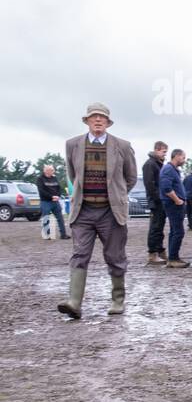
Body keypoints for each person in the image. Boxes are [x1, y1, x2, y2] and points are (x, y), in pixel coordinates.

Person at [58, 103, 137, 319]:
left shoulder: (122, 145)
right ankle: (74, 302)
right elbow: (73, 175)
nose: (98, 120)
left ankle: (117, 300)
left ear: (108, 122)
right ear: (87, 121)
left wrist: (116, 196)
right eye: (94, 117)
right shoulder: (72, 144)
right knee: (79, 254)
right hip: (83, 211)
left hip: (110, 212)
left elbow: (130, 178)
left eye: (102, 117)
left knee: (115, 256)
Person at [158, 148, 190, 268]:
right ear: (176, 156)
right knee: (178, 232)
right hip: (173, 205)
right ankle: (173, 259)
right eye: (183, 157)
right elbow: (166, 188)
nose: (184, 160)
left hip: (175, 204)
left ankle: (173, 257)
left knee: (174, 231)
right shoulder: (168, 170)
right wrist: (177, 200)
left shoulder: (173, 170)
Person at [142, 140, 168, 264]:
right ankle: (152, 253)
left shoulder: (158, 164)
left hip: (160, 200)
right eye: (163, 152)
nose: (165, 154)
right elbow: (150, 185)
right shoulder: (150, 164)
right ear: (157, 150)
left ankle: (159, 250)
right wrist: (158, 198)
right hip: (156, 201)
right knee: (155, 227)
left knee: (159, 227)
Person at [36, 164, 70, 240]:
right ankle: (47, 235)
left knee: (60, 218)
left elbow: (59, 188)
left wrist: (58, 196)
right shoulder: (40, 179)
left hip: (55, 201)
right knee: (46, 218)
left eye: (53, 170)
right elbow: (41, 191)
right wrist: (51, 197)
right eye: (51, 170)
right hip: (45, 202)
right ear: (46, 171)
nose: (53, 171)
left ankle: (63, 234)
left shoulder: (54, 178)